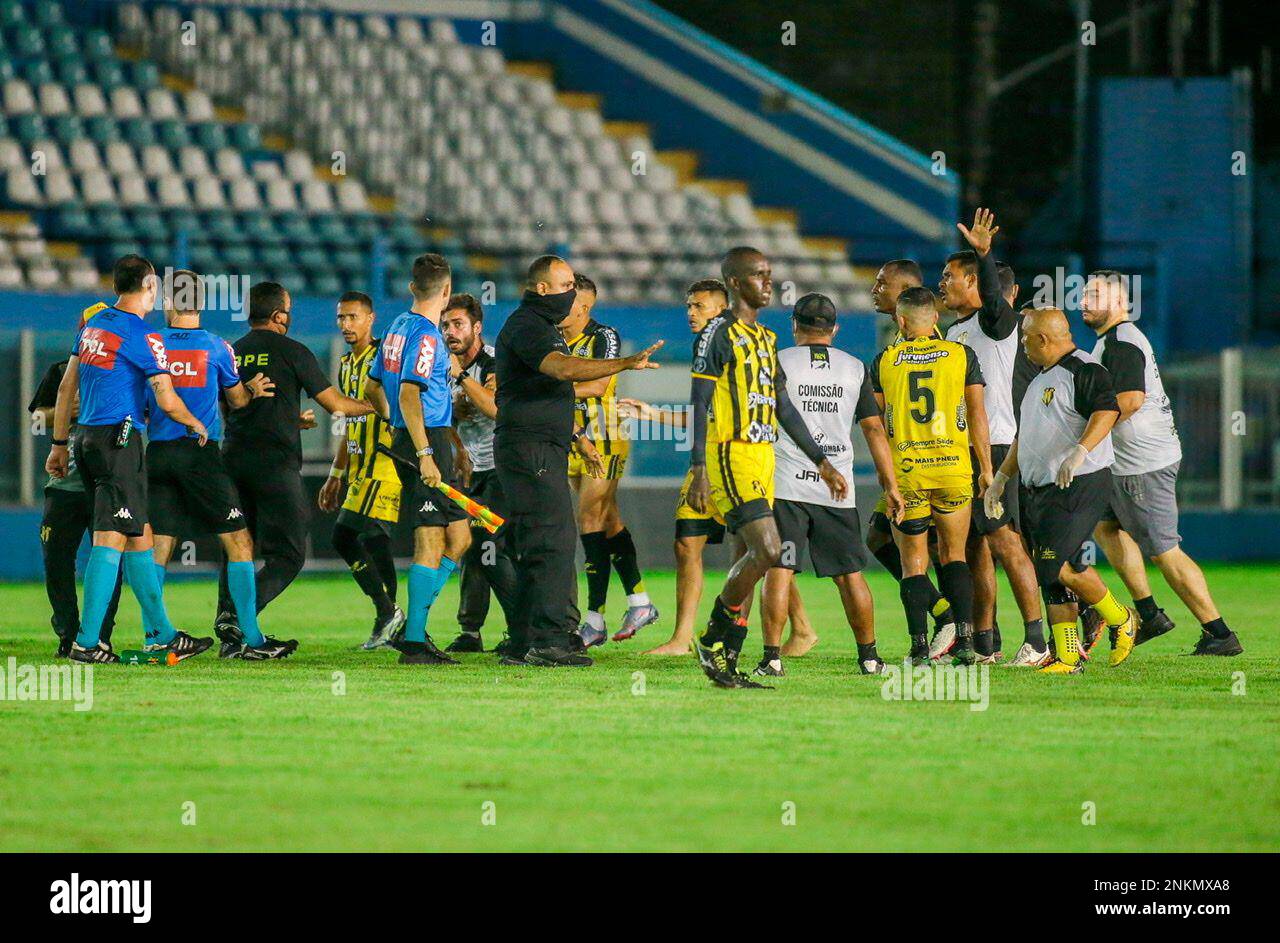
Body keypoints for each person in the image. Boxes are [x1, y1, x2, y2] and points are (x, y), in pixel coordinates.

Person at [618, 279, 813, 656]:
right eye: (688, 306)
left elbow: (766, 409)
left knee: (757, 548)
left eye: (699, 306)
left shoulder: (741, 345)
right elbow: (705, 418)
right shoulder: (711, 349)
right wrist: (653, 414)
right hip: (711, 463)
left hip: (738, 464)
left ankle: (788, 628)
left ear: (722, 310)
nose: (691, 313)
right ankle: (682, 639)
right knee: (687, 543)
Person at [686, 246, 848, 689]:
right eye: (759, 274)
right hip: (731, 453)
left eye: (769, 273)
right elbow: (698, 402)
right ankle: (711, 638)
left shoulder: (766, 339)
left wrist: (822, 461)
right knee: (770, 551)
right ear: (736, 283)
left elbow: (784, 407)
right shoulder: (717, 333)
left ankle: (727, 661)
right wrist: (698, 466)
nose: (768, 282)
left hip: (763, 456)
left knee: (751, 557)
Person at [494, 254, 662, 666]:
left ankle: (526, 639)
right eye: (566, 284)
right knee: (552, 539)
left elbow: (549, 394)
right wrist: (625, 363)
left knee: (537, 540)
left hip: (539, 445)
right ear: (542, 288)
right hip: (532, 448)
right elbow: (561, 370)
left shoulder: (539, 326)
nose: (572, 292)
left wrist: (576, 437)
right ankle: (550, 640)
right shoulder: (530, 326)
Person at [45, 254, 213, 664]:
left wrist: (58, 444)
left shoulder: (93, 326)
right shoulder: (143, 335)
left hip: (86, 440)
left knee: (140, 536)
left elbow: (66, 389)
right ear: (150, 286)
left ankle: (163, 634)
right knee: (110, 538)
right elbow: (166, 398)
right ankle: (87, 643)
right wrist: (196, 422)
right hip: (119, 443)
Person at [1083, 271, 1243, 656]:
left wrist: (1086, 437)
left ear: (1119, 302)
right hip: (1125, 463)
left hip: (1142, 465)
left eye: (1095, 295)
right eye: (1084, 294)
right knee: (1105, 528)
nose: (1084, 301)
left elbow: (1131, 400)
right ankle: (1149, 613)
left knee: (1165, 550)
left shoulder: (1121, 341)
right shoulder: (1114, 340)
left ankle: (1220, 634)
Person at [216, 282, 374, 654]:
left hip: (232, 460)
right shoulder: (294, 351)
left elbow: (229, 406)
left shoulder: (232, 351)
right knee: (289, 554)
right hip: (274, 465)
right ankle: (240, 618)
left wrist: (287, 418)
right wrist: (375, 407)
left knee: (238, 548)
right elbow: (336, 405)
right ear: (279, 315)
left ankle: (228, 628)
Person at [145, 270, 295, 660]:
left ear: (168, 303)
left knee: (159, 546)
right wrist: (252, 389)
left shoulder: (152, 344)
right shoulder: (216, 347)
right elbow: (238, 402)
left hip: (157, 454)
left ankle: (155, 635)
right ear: (201, 302)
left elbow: (145, 402)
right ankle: (252, 640)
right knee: (239, 541)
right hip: (200, 455)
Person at [984, 307, 1140, 673]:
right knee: (1049, 571)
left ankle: (1120, 617)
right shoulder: (1039, 381)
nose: (1023, 346)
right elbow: (1025, 438)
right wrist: (1001, 479)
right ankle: (1068, 657)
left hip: (1079, 482)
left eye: (1026, 339)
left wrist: (1080, 451)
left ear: (1043, 339)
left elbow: (1107, 411)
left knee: (1059, 565)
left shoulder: (1084, 369)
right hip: (1039, 489)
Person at [756, 293, 903, 677]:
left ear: (794, 325)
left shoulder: (777, 361)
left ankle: (771, 658)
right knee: (849, 574)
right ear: (834, 329)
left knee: (779, 568)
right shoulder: (854, 368)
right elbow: (874, 429)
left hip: (786, 484)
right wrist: (890, 485)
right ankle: (869, 657)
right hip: (836, 488)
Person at [945, 208, 1046, 665]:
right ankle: (986, 641)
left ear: (973, 281)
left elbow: (992, 298)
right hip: (962, 449)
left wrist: (985, 255)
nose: (942, 284)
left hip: (998, 447)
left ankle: (1037, 640)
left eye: (950, 277)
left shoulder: (996, 322)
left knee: (1006, 542)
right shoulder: (954, 330)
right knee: (975, 548)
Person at [871, 287, 991, 665]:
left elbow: (876, 425)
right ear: (936, 318)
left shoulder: (884, 361)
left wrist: (887, 480)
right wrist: (987, 469)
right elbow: (977, 413)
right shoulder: (961, 354)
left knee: (913, 564)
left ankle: (919, 647)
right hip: (953, 468)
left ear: (900, 321)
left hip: (909, 472)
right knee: (955, 555)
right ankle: (967, 643)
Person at [364, 254, 471, 666]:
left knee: (460, 538)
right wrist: (424, 451)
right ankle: (413, 642)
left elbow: (373, 387)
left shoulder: (396, 327)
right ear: (447, 290)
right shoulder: (426, 336)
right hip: (429, 441)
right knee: (430, 538)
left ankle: (414, 624)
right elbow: (410, 393)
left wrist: (393, 424)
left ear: (412, 287)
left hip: (412, 438)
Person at [559, 274, 658, 647]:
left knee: (589, 520)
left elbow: (599, 385)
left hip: (604, 435)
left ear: (584, 306)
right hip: (572, 436)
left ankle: (594, 619)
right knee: (608, 519)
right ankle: (640, 602)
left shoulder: (603, 336)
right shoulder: (555, 338)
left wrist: (547, 388)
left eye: (568, 299)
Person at [865, 260, 957, 646]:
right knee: (880, 539)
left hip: (930, 465)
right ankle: (948, 617)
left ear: (904, 292)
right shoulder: (897, 341)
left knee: (937, 551)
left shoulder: (929, 346)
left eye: (881, 284)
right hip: (911, 464)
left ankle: (955, 626)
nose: (874, 290)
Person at [29, 303, 122, 657]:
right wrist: (66, 409)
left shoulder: (122, 367)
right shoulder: (60, 371)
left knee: (109, 559)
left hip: (105, 481)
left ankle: (100, 634)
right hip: (64, 483)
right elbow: (37, 418)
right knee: (56, 560)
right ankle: (68, 633)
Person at [318, 291, 406, 651]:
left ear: (371, 319)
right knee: (371, 540)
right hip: (359, 468)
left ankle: (388, 613)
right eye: (341, 317)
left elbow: (402, 404)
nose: (346, 324)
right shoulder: (345, 364)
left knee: (349, 536)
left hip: (384, 463)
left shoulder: (385, 358)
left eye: (353, 317)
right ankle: (390, 620)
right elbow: (349, 424)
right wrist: (335, 474)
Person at [437, 292, 520, 653]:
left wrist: (461, 382)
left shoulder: (494, 362)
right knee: (471, 546)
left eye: (457, 324)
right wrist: (457, 444)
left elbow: (495, 408)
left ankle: (521, 628)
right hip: (470, 471)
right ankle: (470, 631)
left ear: (477, 327)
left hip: (501, 469)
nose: (449, 332)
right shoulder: (442, 365)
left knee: (489, 546)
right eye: (445, 325)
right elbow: (442, 416)